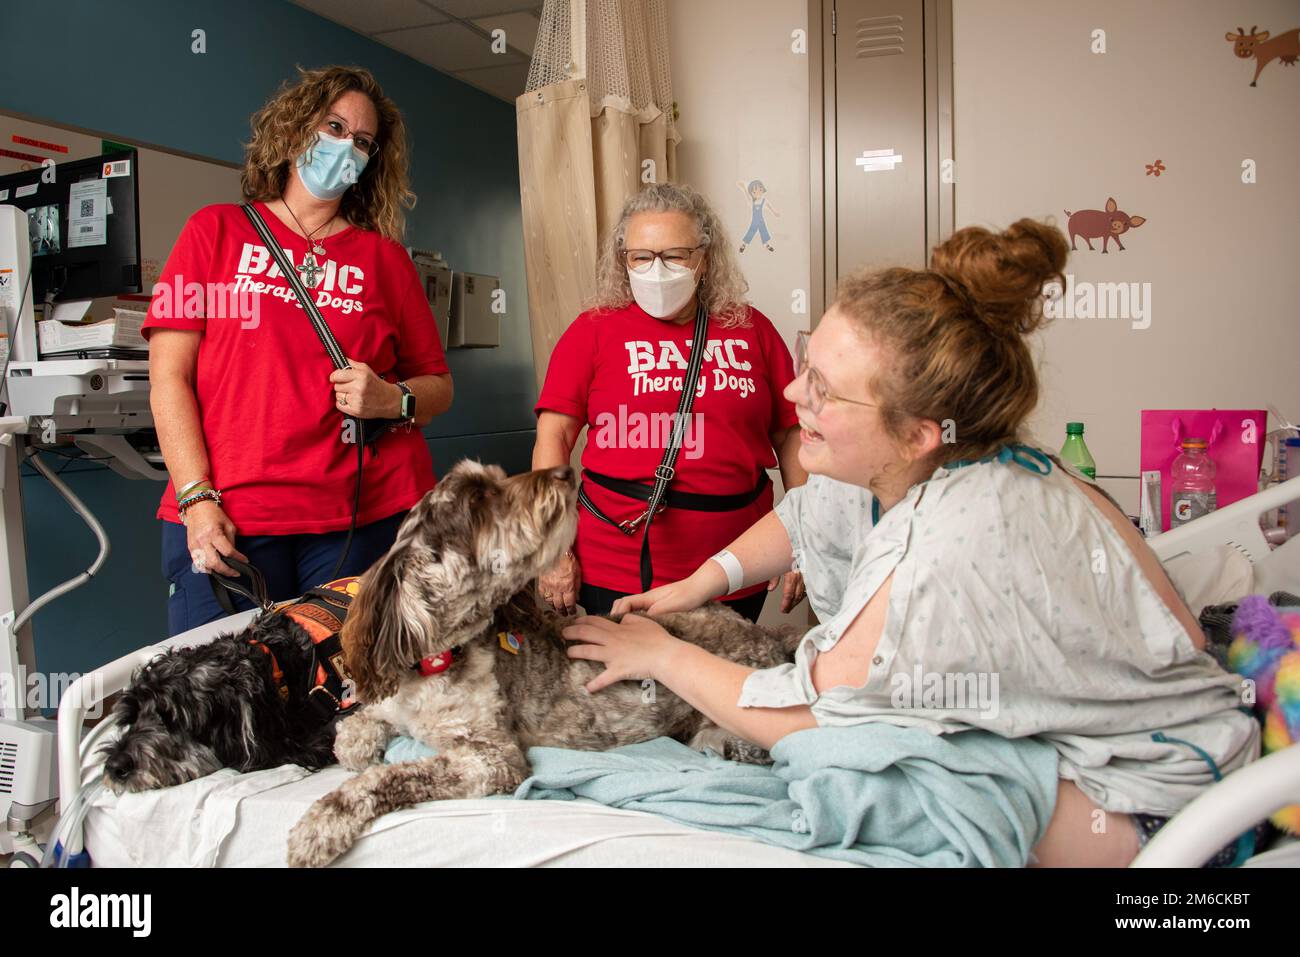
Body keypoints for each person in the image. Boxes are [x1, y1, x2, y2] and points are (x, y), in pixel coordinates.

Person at [561, 218, 1260, 867]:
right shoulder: (927, 459)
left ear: (919, 433)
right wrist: (694, 587)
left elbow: (804, 714)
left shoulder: (958, 535)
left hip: (1176, 806)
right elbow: (807, 515)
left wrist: (665, 653)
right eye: (808, 365)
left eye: (826, 391)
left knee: (853, 771)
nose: (795, 391)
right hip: (1153, 732)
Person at [144, 65, 453, 636]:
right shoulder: (213, 232)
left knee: (337, 701)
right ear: (292, 134)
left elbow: (437, 385)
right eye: (333, 127)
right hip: (231, 513)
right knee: (225, 701)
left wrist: (392, 398)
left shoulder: (386, 261)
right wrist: (195, 499)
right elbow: (169, 379)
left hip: (354, 520)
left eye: (362, 142)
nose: (346, 147)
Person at [532, 183, 806, 622]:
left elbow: (792, 435)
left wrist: (803, 534)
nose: (656, 269)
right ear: (624, 261)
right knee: (624, 689)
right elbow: (553, 439)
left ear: (704, 258)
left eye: (675, 254)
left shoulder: (751, 329)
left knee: (720, 685)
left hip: (738, 563)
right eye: (641, 256)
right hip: (617, 566)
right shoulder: (592, 331)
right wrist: (551, 548)